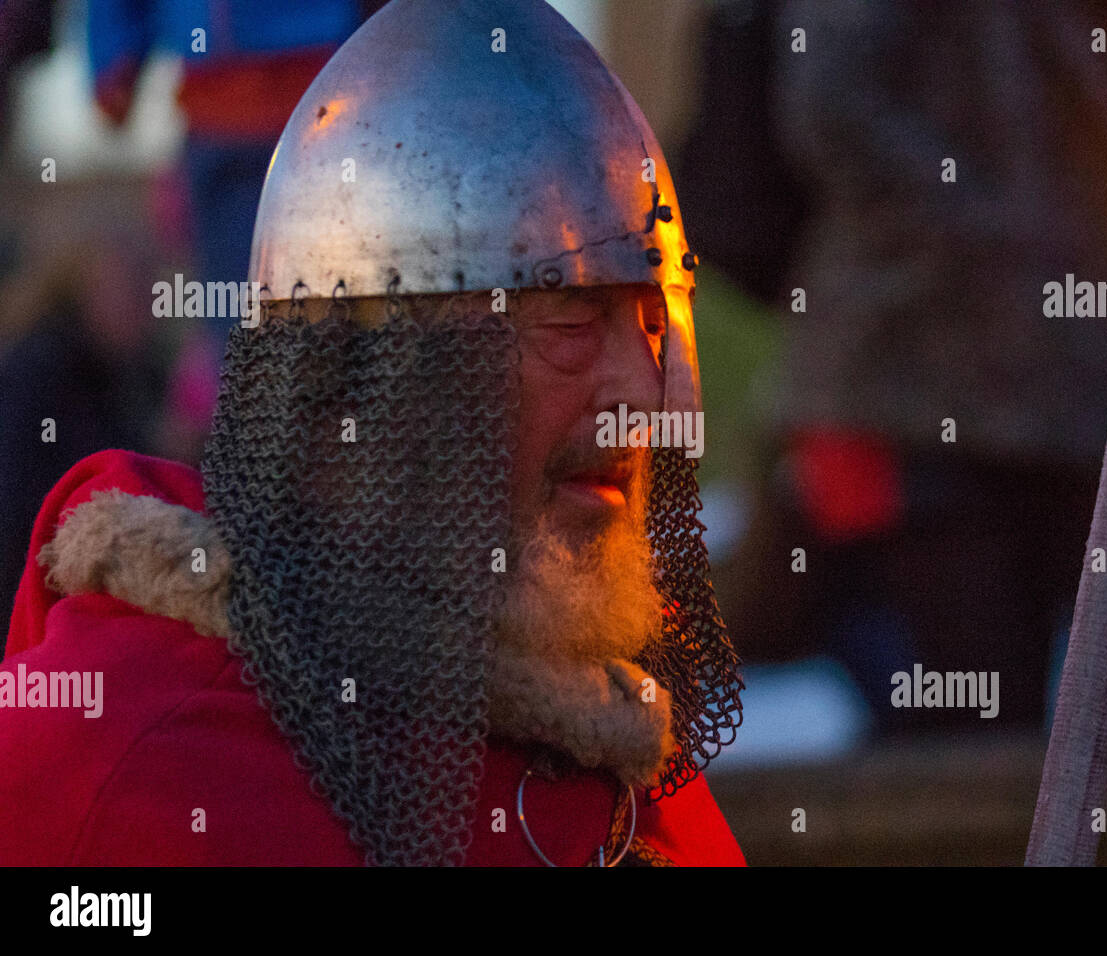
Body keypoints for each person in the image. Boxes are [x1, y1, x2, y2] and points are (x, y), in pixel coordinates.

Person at [0, 0, 744, 867]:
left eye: (656, 330)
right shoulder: (128, 771)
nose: (639, 400)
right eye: (570, 326)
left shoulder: (632, 763)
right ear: (361, 387)